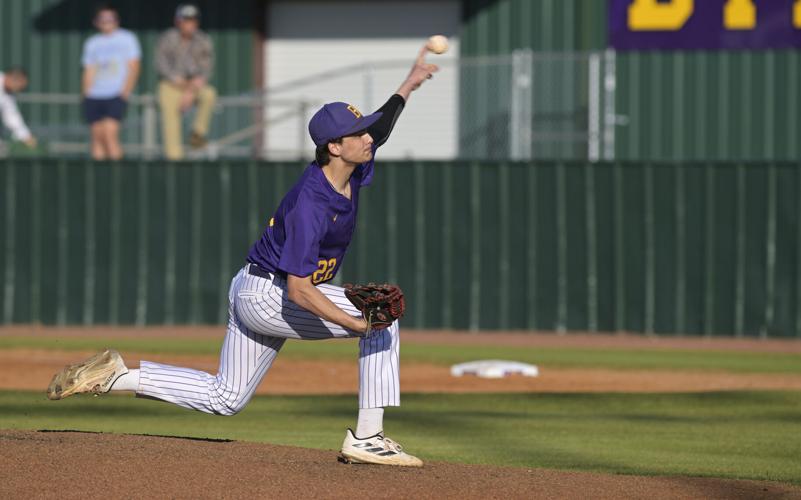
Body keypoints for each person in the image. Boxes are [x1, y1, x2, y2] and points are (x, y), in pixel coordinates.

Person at [47, 45, 439, 467]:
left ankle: (117, 377)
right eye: (357, 133)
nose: (368, 138)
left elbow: (381, 127)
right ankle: (368, 436)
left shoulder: (351, 166)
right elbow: (302, 291)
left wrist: (408, 84)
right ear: (334, 147)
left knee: (226, 398)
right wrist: (355, 324)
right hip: (274, 296)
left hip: (251, 287)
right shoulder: (313, 204)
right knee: (380, 320)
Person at [156, 3, 217, 160]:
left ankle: (197, 134)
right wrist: (179, 83)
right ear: (178, 21)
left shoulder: (203, 40)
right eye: (186, 20)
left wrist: (190, 91)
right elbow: (161, 65)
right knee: (169, 111)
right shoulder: (168, 38)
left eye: (193, 20)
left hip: (193, 85)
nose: (190, 24)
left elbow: (206, 69)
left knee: (209, 94)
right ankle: (174, 157)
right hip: (171, 84)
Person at [81, 4, 141, 160]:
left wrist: (125, 92)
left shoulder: (127, 38)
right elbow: (89, 70)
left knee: (110, 135)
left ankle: (117, 177)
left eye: (110, 19)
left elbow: (134, 67)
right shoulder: (92, 43)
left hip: (115, 94)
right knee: (97, 137)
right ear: (96, 22)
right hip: (94, 95)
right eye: (103, 19)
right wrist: (86, 93)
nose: (107, 22)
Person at [0, 67, 36, 149]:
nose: (20, 89)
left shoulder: (8, 94)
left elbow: (11, 116)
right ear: (12, 78)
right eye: (20, 85)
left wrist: (26, 136)